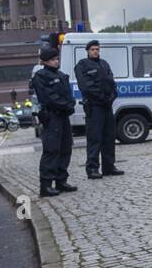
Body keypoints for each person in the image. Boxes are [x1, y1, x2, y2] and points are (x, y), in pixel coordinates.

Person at [30, 46, 77, 197]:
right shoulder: (40, 76)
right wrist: (65, 105)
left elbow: (69, 95)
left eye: (57, 59)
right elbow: (48, 98)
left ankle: (61, 181)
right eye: (52, 60)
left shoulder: (62, 75)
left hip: (63, 116)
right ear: (44, 61)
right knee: (51, 150)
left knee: (65, 148)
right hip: (52, 116)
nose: (56, 62)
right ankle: (46, 185)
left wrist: (70, 105)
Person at [74, 39, 123, 180]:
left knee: (109, 136)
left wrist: (112, 96)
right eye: (93, 49)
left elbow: (112, 83)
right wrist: (102, 97)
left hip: (107, 106)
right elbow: (86, 86)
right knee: (94, 138)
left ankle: (109, 166)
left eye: (97, 49)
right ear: (88, 51)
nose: (95, 51)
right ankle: (92, 168)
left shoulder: (104, 64)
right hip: (94, 106)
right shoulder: (82, 65)